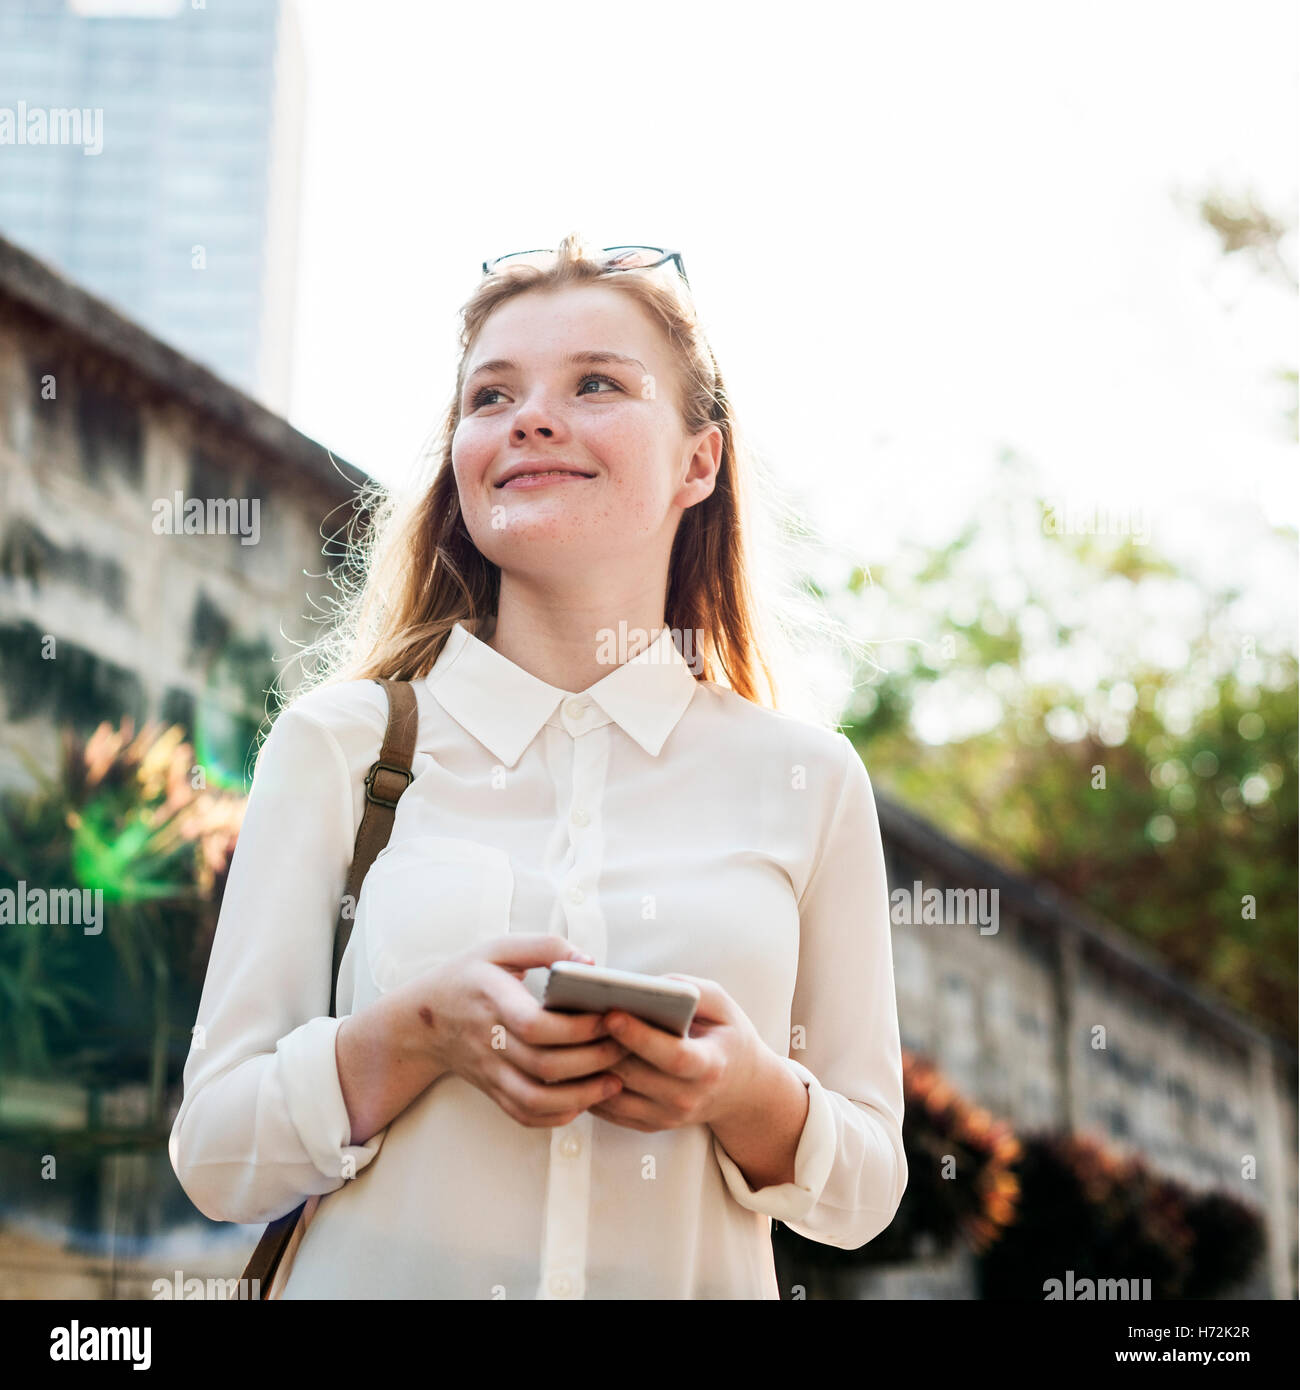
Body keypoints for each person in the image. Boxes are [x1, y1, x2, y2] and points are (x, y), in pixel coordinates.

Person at [168, 235, 907, 1299]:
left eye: (596, 383)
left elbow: (865, 1189)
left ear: (700, 460)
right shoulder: (341, 746)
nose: (530, 418)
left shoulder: (807, 778)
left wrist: (746, 1090)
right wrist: (419, 1036)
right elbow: (218, 1155)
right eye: (491, 396)